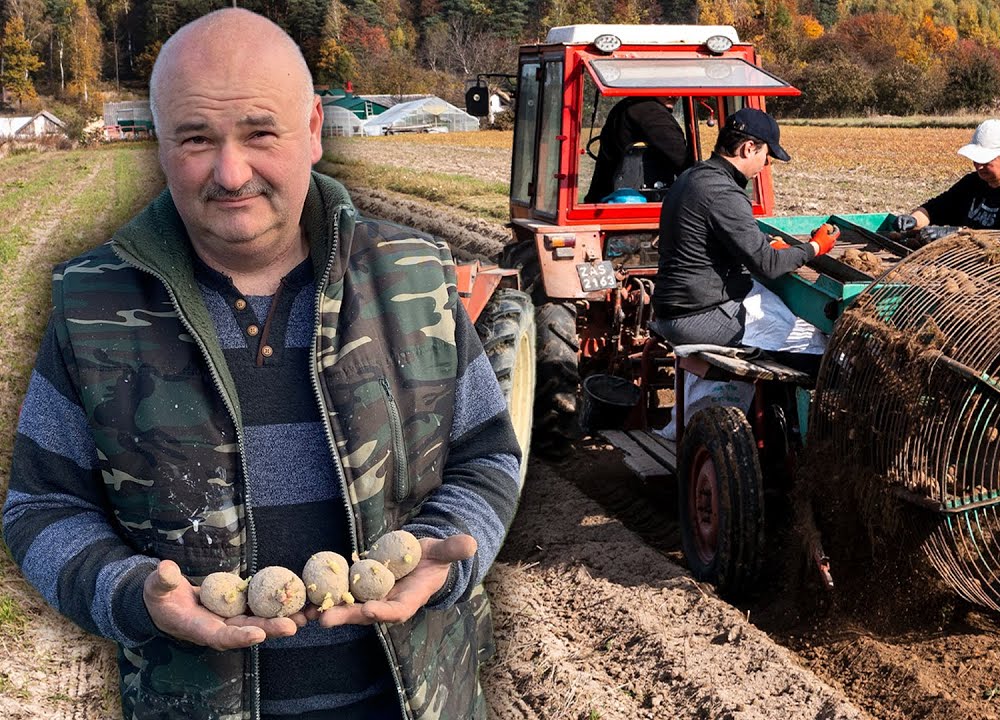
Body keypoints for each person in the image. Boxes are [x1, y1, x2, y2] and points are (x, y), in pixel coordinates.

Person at [1, 9, 520, 720]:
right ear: (160, 145)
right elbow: (42, 508)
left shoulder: (415, 279)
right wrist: (131, 594)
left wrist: (442, 558)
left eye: (258, 133)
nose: (230, 172)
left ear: (312, 130)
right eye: (196, 139)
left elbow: (485, 456)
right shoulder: (94, 304)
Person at [652, 107, 838, 348]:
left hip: (675, 307)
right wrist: (815, 247)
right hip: (698, 316)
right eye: (767, 155)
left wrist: (767, 242)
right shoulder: (723, 191)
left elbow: (726, 233)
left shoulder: (693, 177)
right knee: (812, 344)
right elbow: (768, 266)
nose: (767, 163)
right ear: (749, 148)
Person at [894, 118, 1000, 237]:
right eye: (976, 160)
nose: (979, 166)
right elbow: (935, 208)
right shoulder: (973, 183)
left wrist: (960, 234)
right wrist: (914, 219)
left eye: (986, 161)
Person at [584, 95, 691, 203]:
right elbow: (682, 160)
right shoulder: (651, 112)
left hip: (605, 199)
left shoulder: (631, 105)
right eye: (668, 87)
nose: (674, 95)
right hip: (627, 204)